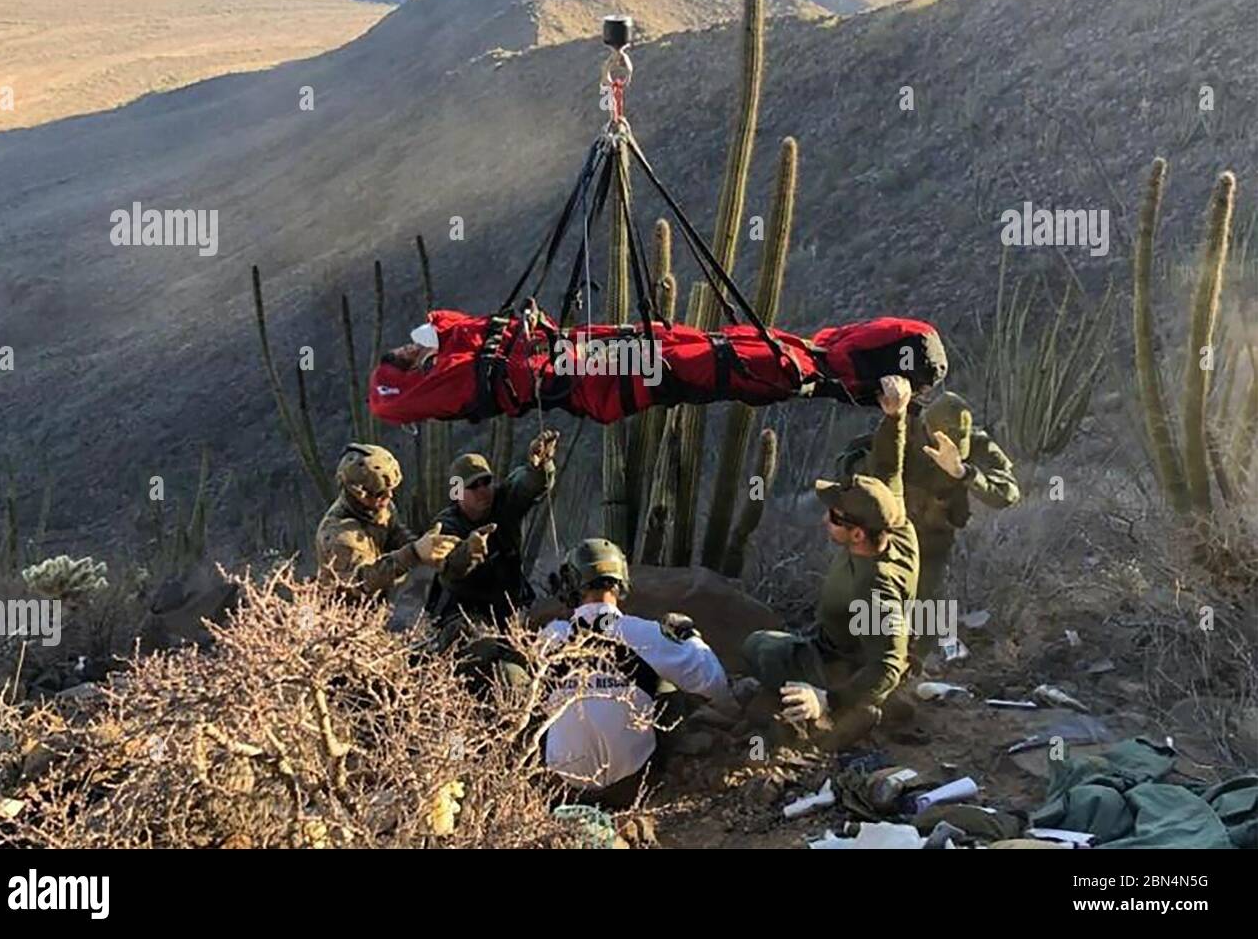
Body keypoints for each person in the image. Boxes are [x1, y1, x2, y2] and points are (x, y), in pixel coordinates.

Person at [368, 307, 947, 426]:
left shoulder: (795, 363)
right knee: (543, 357)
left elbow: (393, 399)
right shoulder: (799, 362)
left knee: (541, 362)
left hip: (620, 364)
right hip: (622, 362)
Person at [741, 374, 920, 751]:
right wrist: (895, 417)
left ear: (857, 534)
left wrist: (828, 700)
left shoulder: (874, 587)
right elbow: (889, 469)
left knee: (758, 648)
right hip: (851, 638)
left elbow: (887, 663)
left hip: (842, 661)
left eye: (836, 517)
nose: (826, 519)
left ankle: (845, 714)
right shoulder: (894, 521)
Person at [540, 539, 735, 806]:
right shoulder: (647, 634)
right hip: (631, 788)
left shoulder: (550, 637)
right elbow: (714, 683)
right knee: (665, 684)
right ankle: (664, 785)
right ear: (621, 582)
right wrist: (687, 635)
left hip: (562, 789)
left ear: (572, 584)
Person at [838, 389, 1020, 651]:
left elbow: (1008, 494)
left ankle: (925, 671)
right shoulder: (902, 433)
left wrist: (963, 472)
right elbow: (857, 470)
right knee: (871, 613)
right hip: (887, 539)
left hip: (934, 542)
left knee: (930, 618)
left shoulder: (978, 444)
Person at [426, 429, 560, 635]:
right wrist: (469, 551)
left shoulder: (504, 501)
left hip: (511, 602)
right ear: (458, 492)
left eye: (486, 481)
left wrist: (539, 466)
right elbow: (450, 568)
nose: (482, 490)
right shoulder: (446, 524)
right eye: (473, 485)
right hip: (464, 610)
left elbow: (527, 485)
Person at [315, 443, 459, 599]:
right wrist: (415, 552)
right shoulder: (338, 532)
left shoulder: (379, 505)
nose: (389, 497)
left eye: (391, 490)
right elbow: (364, 581)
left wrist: (429, 546)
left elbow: (396, 534)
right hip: (345, 614)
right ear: (360, 493)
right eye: (381, 493)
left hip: (381, 601)